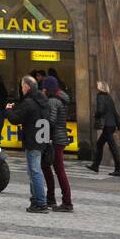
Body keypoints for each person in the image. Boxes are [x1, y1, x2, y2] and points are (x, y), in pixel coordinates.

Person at [5, 74, 52, 213]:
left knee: (35, 172)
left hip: (33, 141)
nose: (21, 89)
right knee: (33, 171)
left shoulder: (29, 102)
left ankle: (40, 202)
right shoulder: (43, 101)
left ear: (26, 87)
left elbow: (15, 119)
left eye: (21, 86)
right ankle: (36, 200)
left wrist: (8, 110)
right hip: (42, 140)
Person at [41, 76, 73, 210]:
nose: (42, 91)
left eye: (43, 88)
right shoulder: (61, 99)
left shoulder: (53, 101)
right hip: (59, 138)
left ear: (48, 89)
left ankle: (66, 202)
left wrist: (42, 125)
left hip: (55, 139)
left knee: (58, 170)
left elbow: (51, 121)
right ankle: (51, 198)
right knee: (48, 166)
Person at [86, 81, 120, 176]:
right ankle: (95, 165)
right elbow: (115, 112)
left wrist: (96, 114)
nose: (96, 88)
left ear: (100, 88)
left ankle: (118, 169)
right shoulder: (109, 97)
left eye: (97, 86)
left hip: (107, 125)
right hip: (112, 125)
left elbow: (100, 110)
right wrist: (119, 125)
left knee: (112, 147)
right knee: (99, 144)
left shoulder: (100, 96)